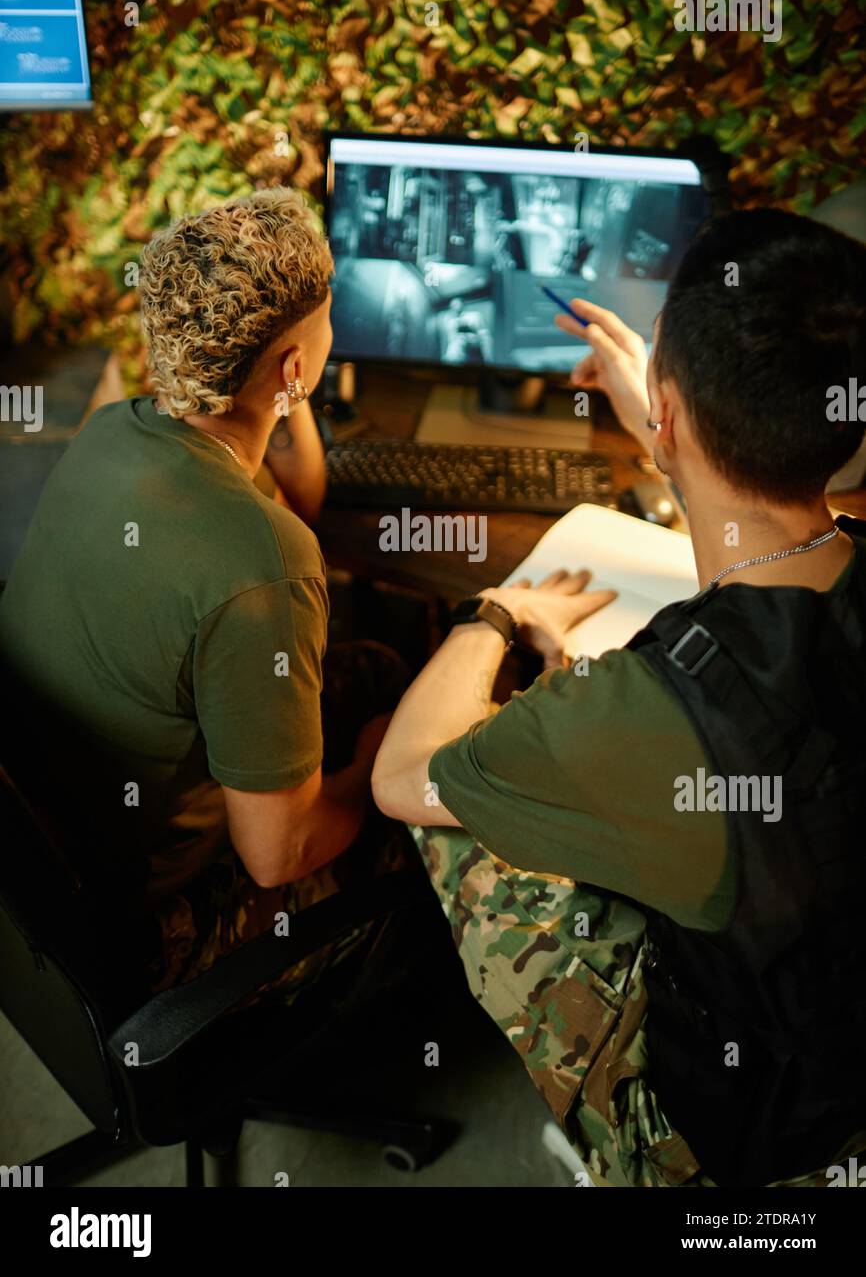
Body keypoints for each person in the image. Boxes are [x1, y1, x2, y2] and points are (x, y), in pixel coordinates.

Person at [372, 209, 866, 1187]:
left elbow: (399, 774)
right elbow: (772, 534)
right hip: (837, 1022)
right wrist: (672, 423)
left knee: (452, 824)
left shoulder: (652, 706)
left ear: (670, 417)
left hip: (758, 1136)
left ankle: (621, 1151)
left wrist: (495, 613)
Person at [0, 186, 416, 1006]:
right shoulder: (265, 568)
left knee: (369, 666)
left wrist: (283, 397)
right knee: (422, 798)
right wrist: (373, 772)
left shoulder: (110, 431)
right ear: (297, 365)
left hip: (54, 853)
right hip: (153, 925)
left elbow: (285, 497)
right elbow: (277, 855)